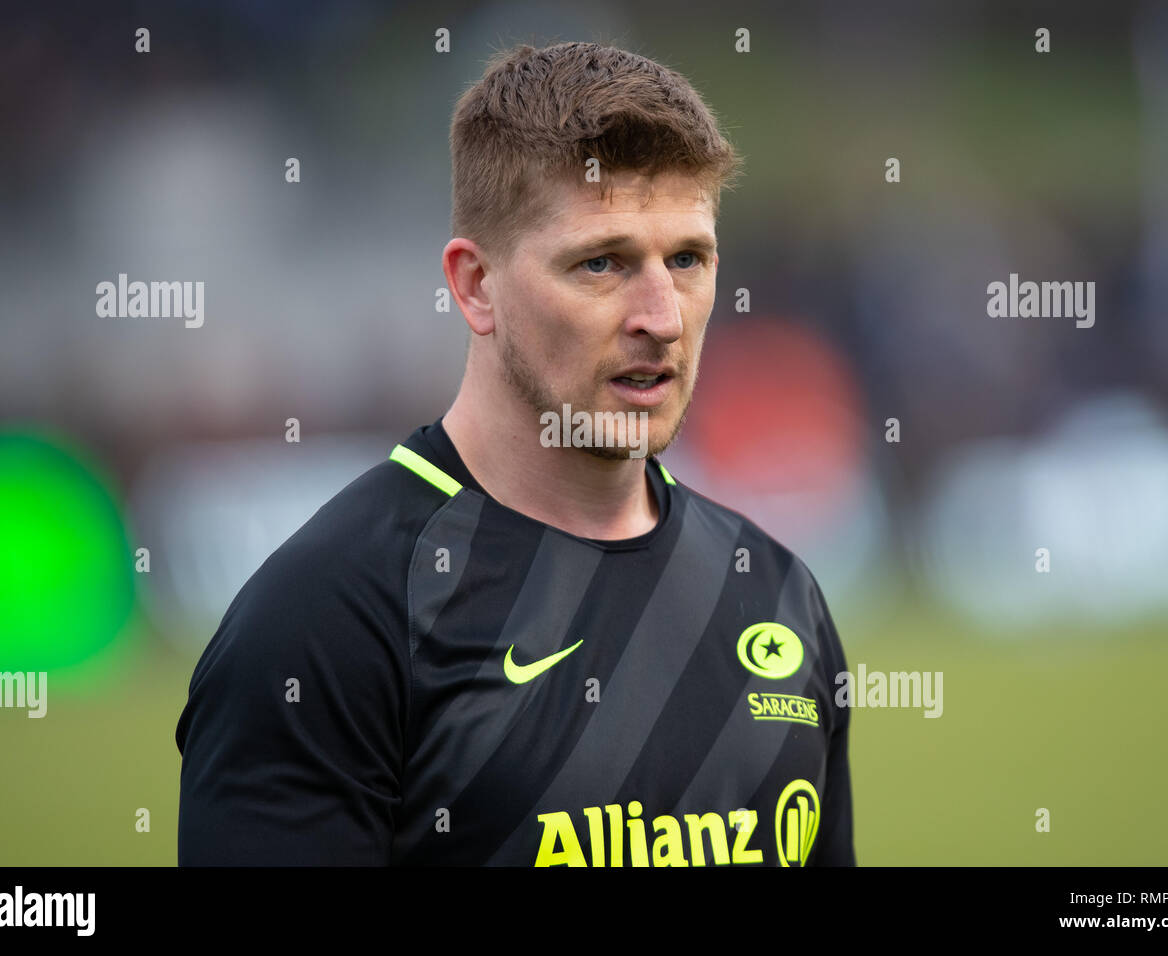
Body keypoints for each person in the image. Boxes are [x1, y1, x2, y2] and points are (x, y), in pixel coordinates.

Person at [175, 40, 855, 866]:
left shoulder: (777, 595)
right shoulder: (327, 619)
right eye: (601, 262)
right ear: (475, 286)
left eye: (688, 259)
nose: (663, 316)